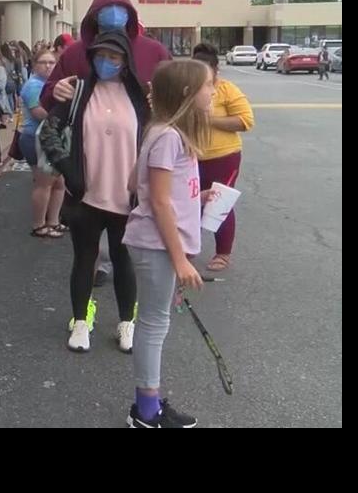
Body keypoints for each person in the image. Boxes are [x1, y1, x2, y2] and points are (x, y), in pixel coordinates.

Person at [39, 30, 148, 354]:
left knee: (123, 260)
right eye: (100, 56)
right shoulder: (79, 91)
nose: (106, 62)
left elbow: (156, 135)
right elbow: (49, 131)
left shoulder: (141, 96)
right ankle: (80, 321)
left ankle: (126, 322)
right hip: (86, 195)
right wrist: (68, 169)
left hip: (127, 197)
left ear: (125, 61)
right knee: (84, 259)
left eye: (113, 57)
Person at [123, 59, 215, 429]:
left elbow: (135, 183)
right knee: (153, 324)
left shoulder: (164, 133)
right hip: (156, 245)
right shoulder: (168, 137)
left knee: (155, 322)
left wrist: (196, 196)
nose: (213, 92)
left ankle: (148, 404)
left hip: (159, 244)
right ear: (187, 93)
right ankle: (146, 412)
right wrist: (180, 260)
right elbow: (159, 202)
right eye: (208, 85)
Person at [41, 0, 171, 112]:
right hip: (86, 126)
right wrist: (55, 91)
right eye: (107, 8)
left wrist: (163, 101)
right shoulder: (74, 54)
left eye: (120, 8)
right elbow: (47, 96)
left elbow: (176, 96)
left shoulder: (155, 52)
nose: (114, 13)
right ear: (94, 15)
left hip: (144, 126)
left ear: (129, 14)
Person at [191, 44, 254, 272]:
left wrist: (209, 120)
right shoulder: (188, 89)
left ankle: (223, 253)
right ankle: (188, 248)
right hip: (192, 157)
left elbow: (245, 121)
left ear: (215, 70)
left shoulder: (227, 90)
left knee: (219, 203)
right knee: (191, 203)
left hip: (224, 157)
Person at [21, 47, 66, 239]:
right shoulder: (34, 86)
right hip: (35, 137)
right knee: (45, 183)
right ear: (34, 65)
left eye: (51, 62)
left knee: (59, 183)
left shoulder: (49, 84)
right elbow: (38, 112)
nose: (48, 66)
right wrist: (64, 116)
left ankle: (53, 221)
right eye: (43, 62)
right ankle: (39, 224)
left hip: (50, 137)